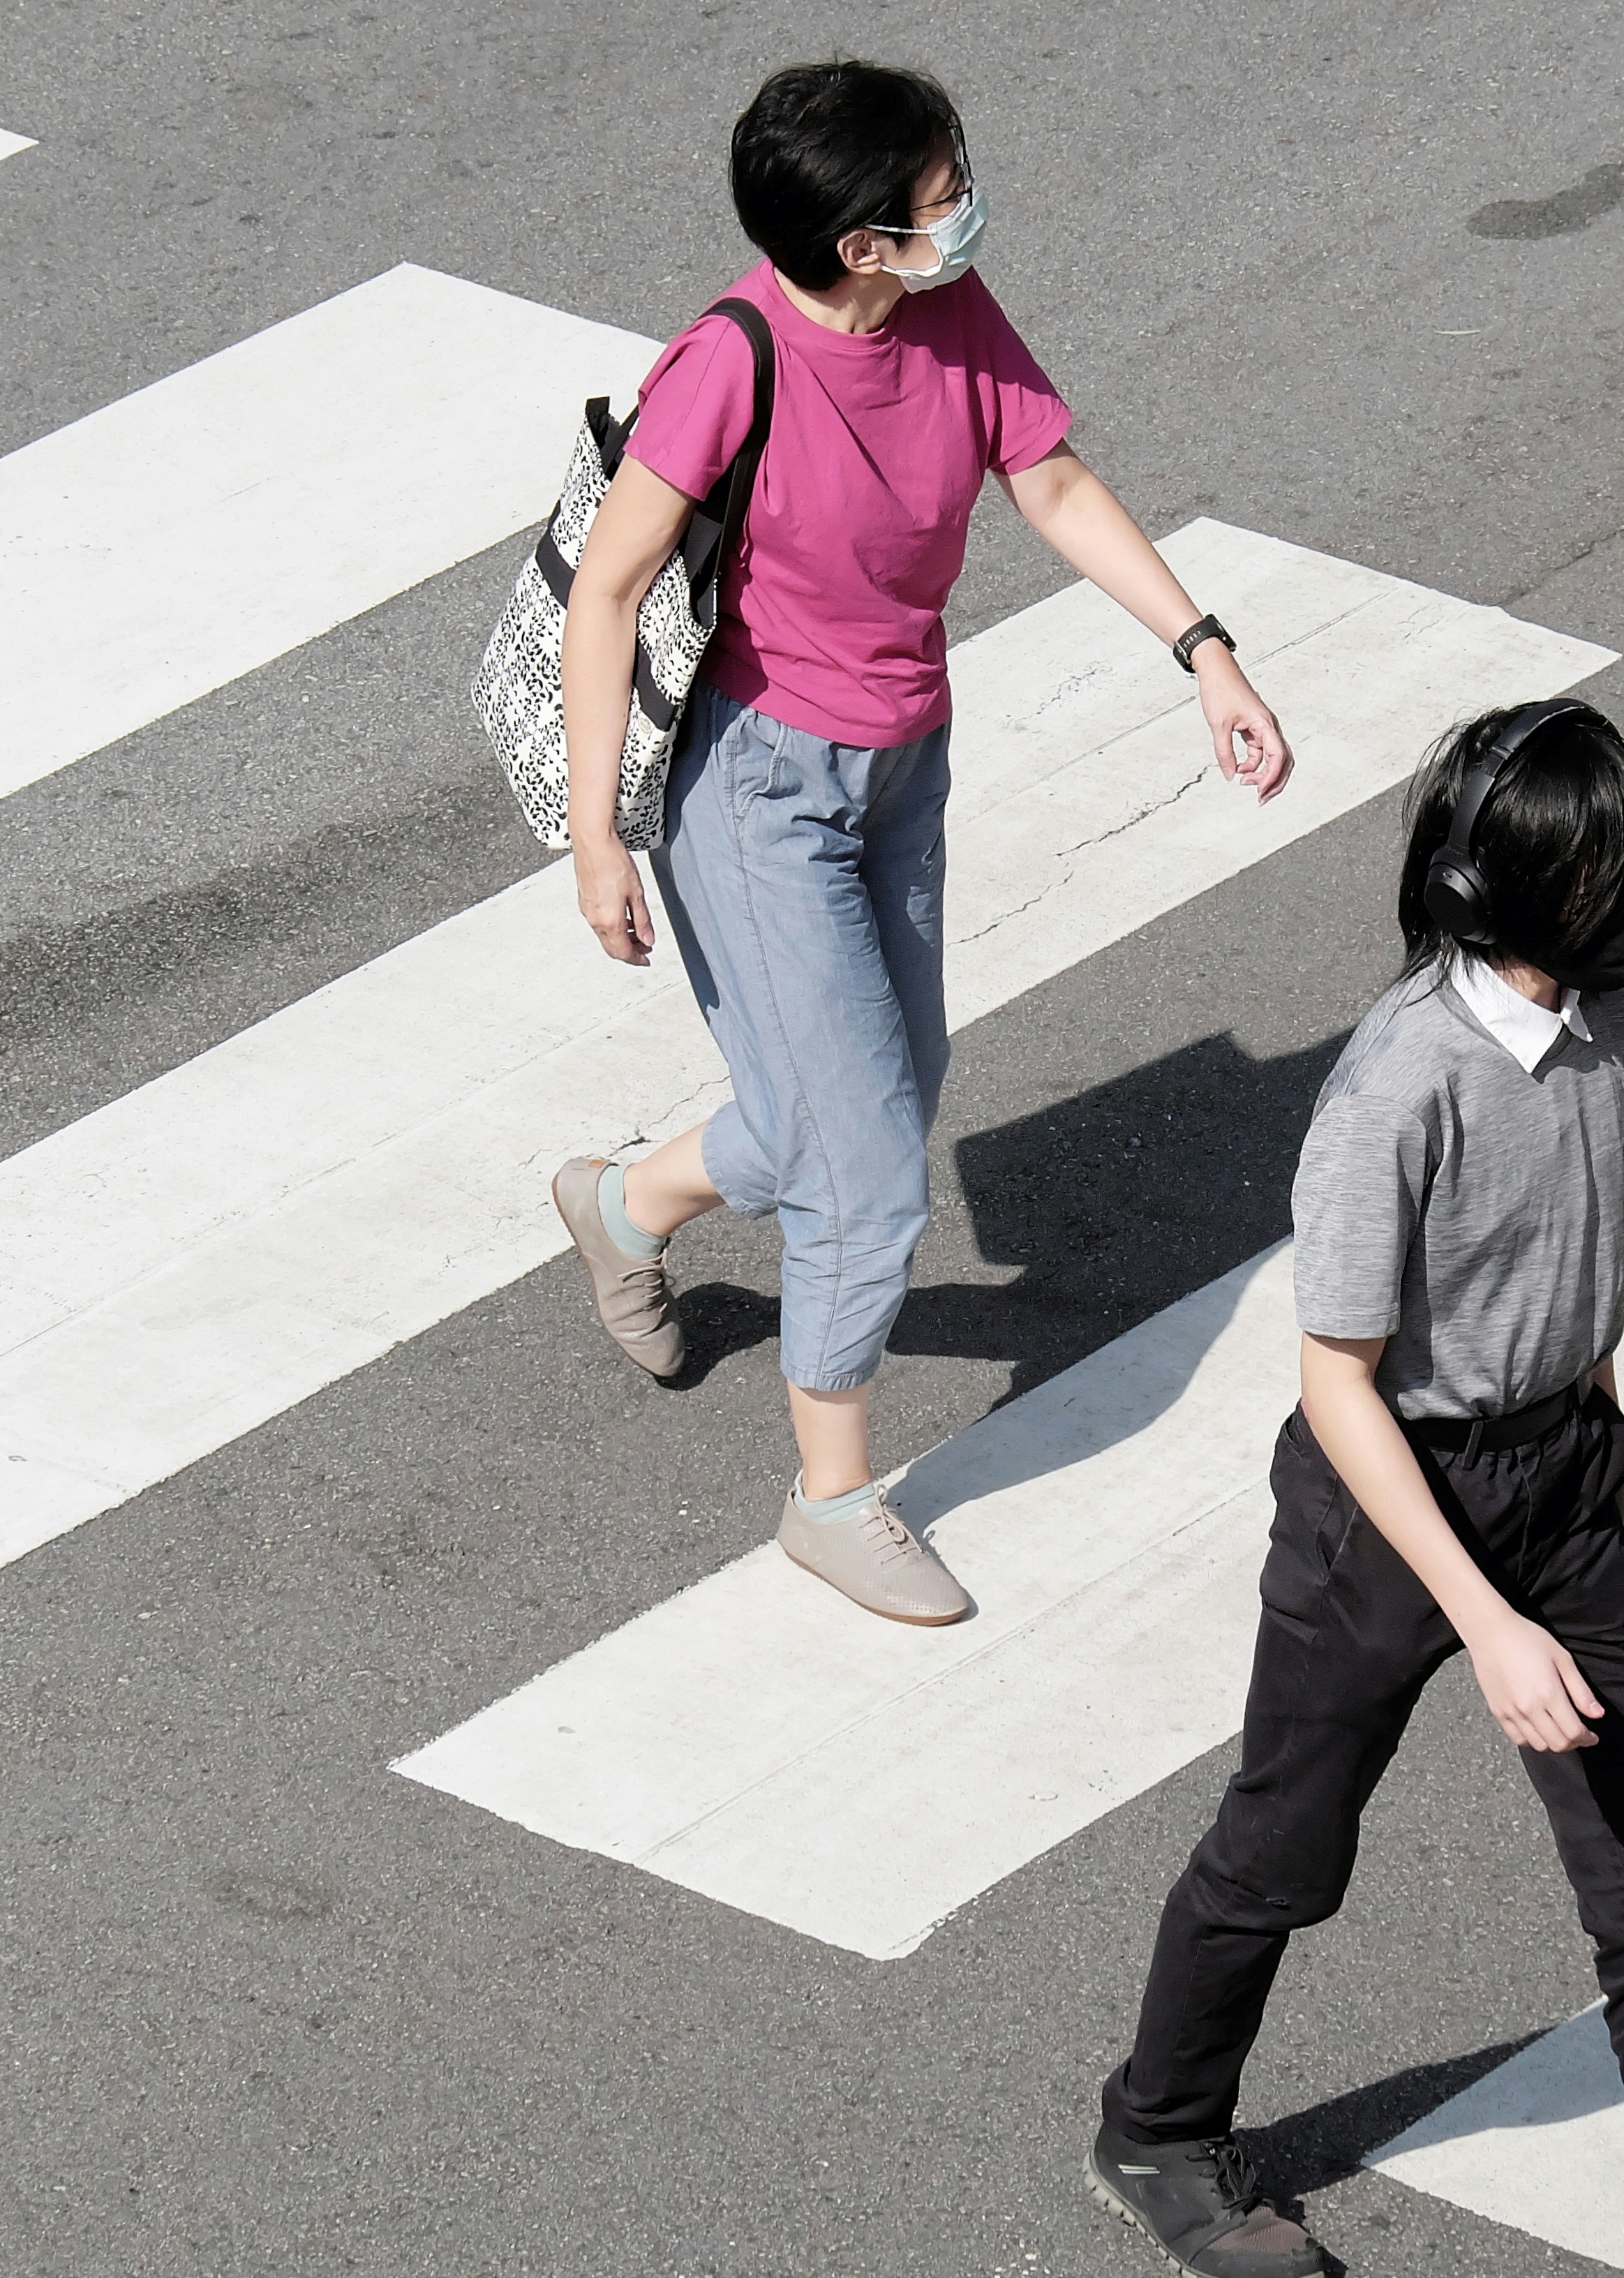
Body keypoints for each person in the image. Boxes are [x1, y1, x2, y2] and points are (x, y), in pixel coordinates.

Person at [548, 61, 1295, 1623]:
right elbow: (609, 593)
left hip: (902, 765)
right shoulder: (729, 365)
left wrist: (1204, 650)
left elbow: (1055, 479)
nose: (967, 209)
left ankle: (626, 1206)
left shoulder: (948, 314)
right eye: (943, 194)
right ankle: (833, 1499)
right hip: (755, 790)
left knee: (877, 1090)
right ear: (862, 240)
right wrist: (599, 837)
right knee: (871, 1164)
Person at [1085, 702, 1624, 2278]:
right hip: (1389, 1508)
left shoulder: (1623, 1021)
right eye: (1615, 878)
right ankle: (1158, 2126)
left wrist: (1622, 1514)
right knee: (1286, 1847)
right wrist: (1487, 1622)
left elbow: (1576, 1276)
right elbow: (1336, 1383)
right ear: (1522, 893)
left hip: (1565, 1480)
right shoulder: (1392, 1094)